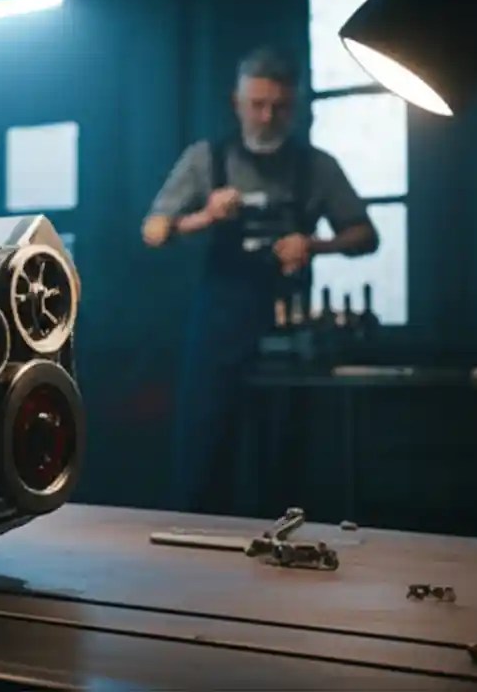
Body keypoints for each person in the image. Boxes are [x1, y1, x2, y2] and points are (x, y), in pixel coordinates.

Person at [142, 46, 379, 514]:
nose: (268, 117)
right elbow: (152, 231)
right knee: (207, 445)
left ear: (294, 106)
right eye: (258, 105)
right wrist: (205, 216)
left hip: (288, 328)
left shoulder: (317, 166)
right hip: (219, 321)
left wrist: (313, 245)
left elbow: (366, 235)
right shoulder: (205, 159)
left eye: (280, 107)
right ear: (237, 102)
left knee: (286, 453)